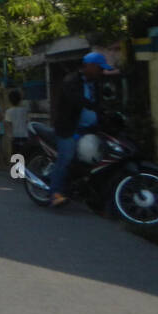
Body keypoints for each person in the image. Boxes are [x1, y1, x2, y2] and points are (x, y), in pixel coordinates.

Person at [48, 51, 110, 208]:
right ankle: (55, 193)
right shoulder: (71, 81)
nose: (101, 72)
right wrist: (93, 106)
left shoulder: (95, 83)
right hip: (68, 129)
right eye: (99, 68)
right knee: (66, 157)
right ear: (89, 66)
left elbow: (100, 101)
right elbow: (77, 100)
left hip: (89, 129)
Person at [4, 88, 29, 161]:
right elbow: (27, 122)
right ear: (20, 99)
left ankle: (16, 172)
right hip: (25, 135)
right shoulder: (25, 110)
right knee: (25, 157)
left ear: (10, 100)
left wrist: (9, 135)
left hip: (14, 137)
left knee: (15, 157)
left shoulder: (8, 112)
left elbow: (8, 125)